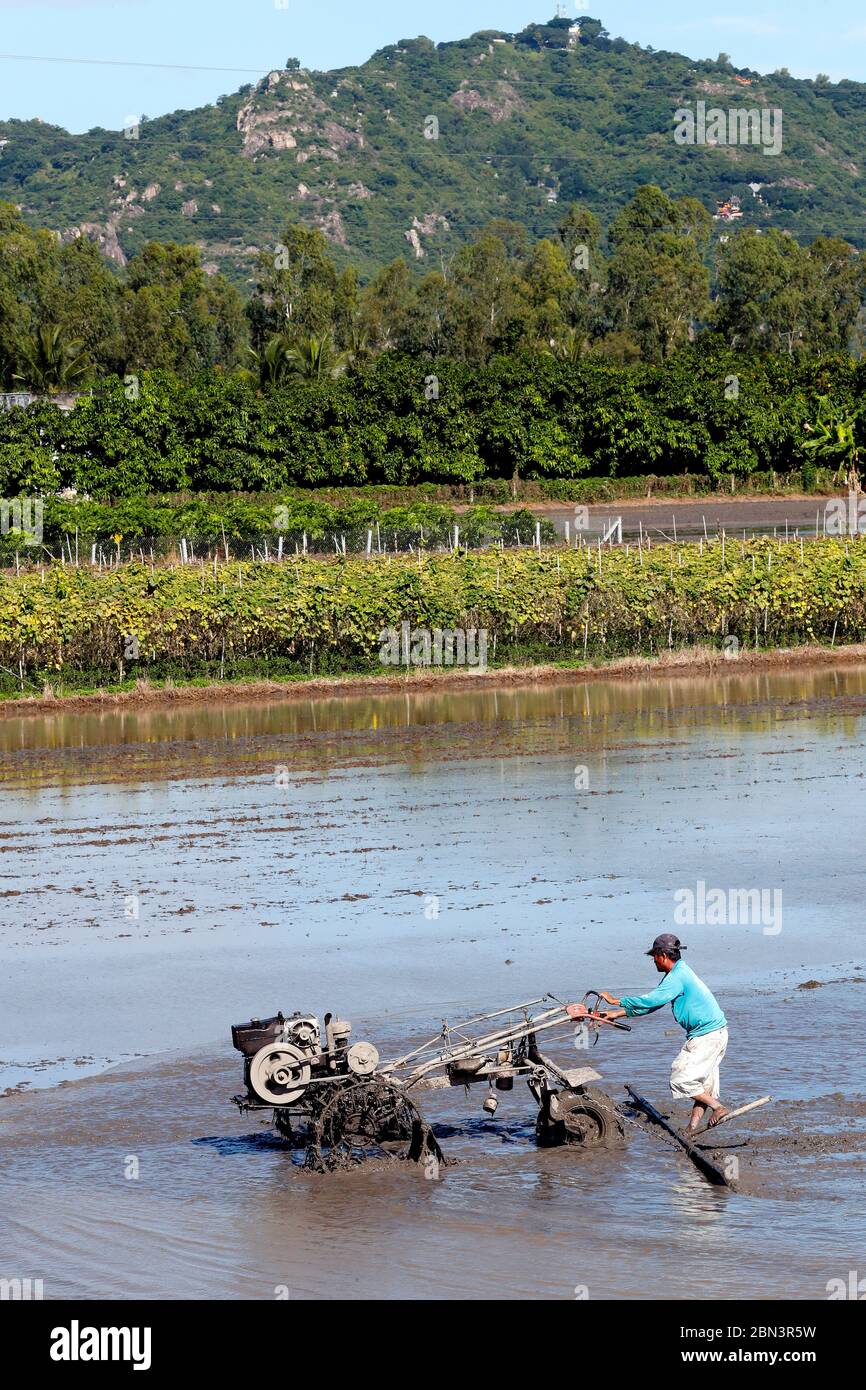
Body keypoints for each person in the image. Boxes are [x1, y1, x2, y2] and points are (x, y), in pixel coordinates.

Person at [568, 934, 729, 1131]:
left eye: (653, 956)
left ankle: (718, 1108)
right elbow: (651, 1006)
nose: (653, 961)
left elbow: (651, 1000)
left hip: (707, 1036)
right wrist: (615, 1014)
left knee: (681, 1079)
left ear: (662, 955)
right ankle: (691, 1129)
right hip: (715, 1033)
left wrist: (617, 1000)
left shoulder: (677, 977)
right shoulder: (679, 973)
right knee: (701, 1086)